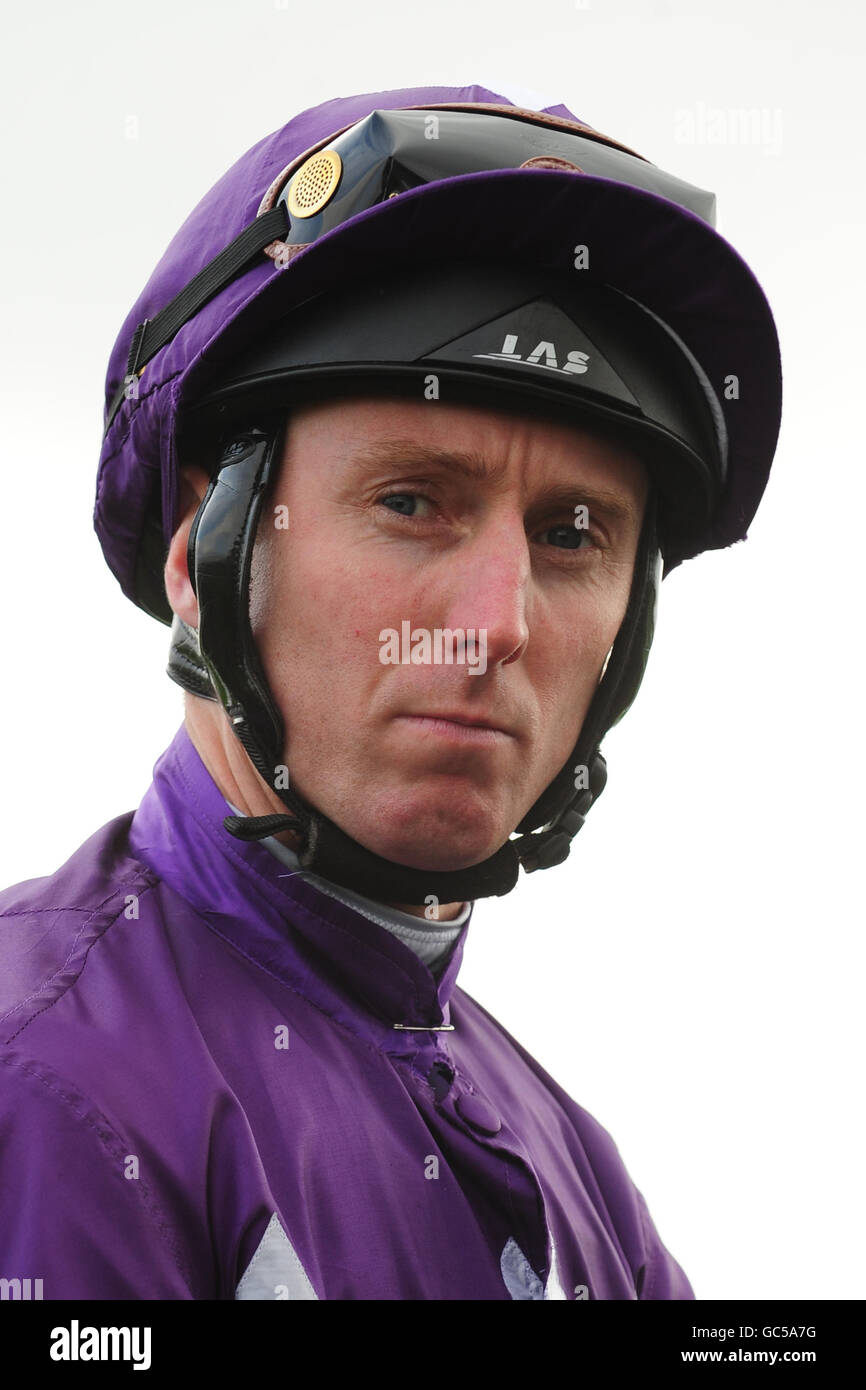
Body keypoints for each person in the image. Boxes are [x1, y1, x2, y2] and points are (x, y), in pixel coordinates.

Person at [0, 83, 781, 1301]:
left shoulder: (583, 1177)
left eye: (572, 534)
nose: (496, 625)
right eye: (411, 502)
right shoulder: (40, 1084)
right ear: (201, 554)